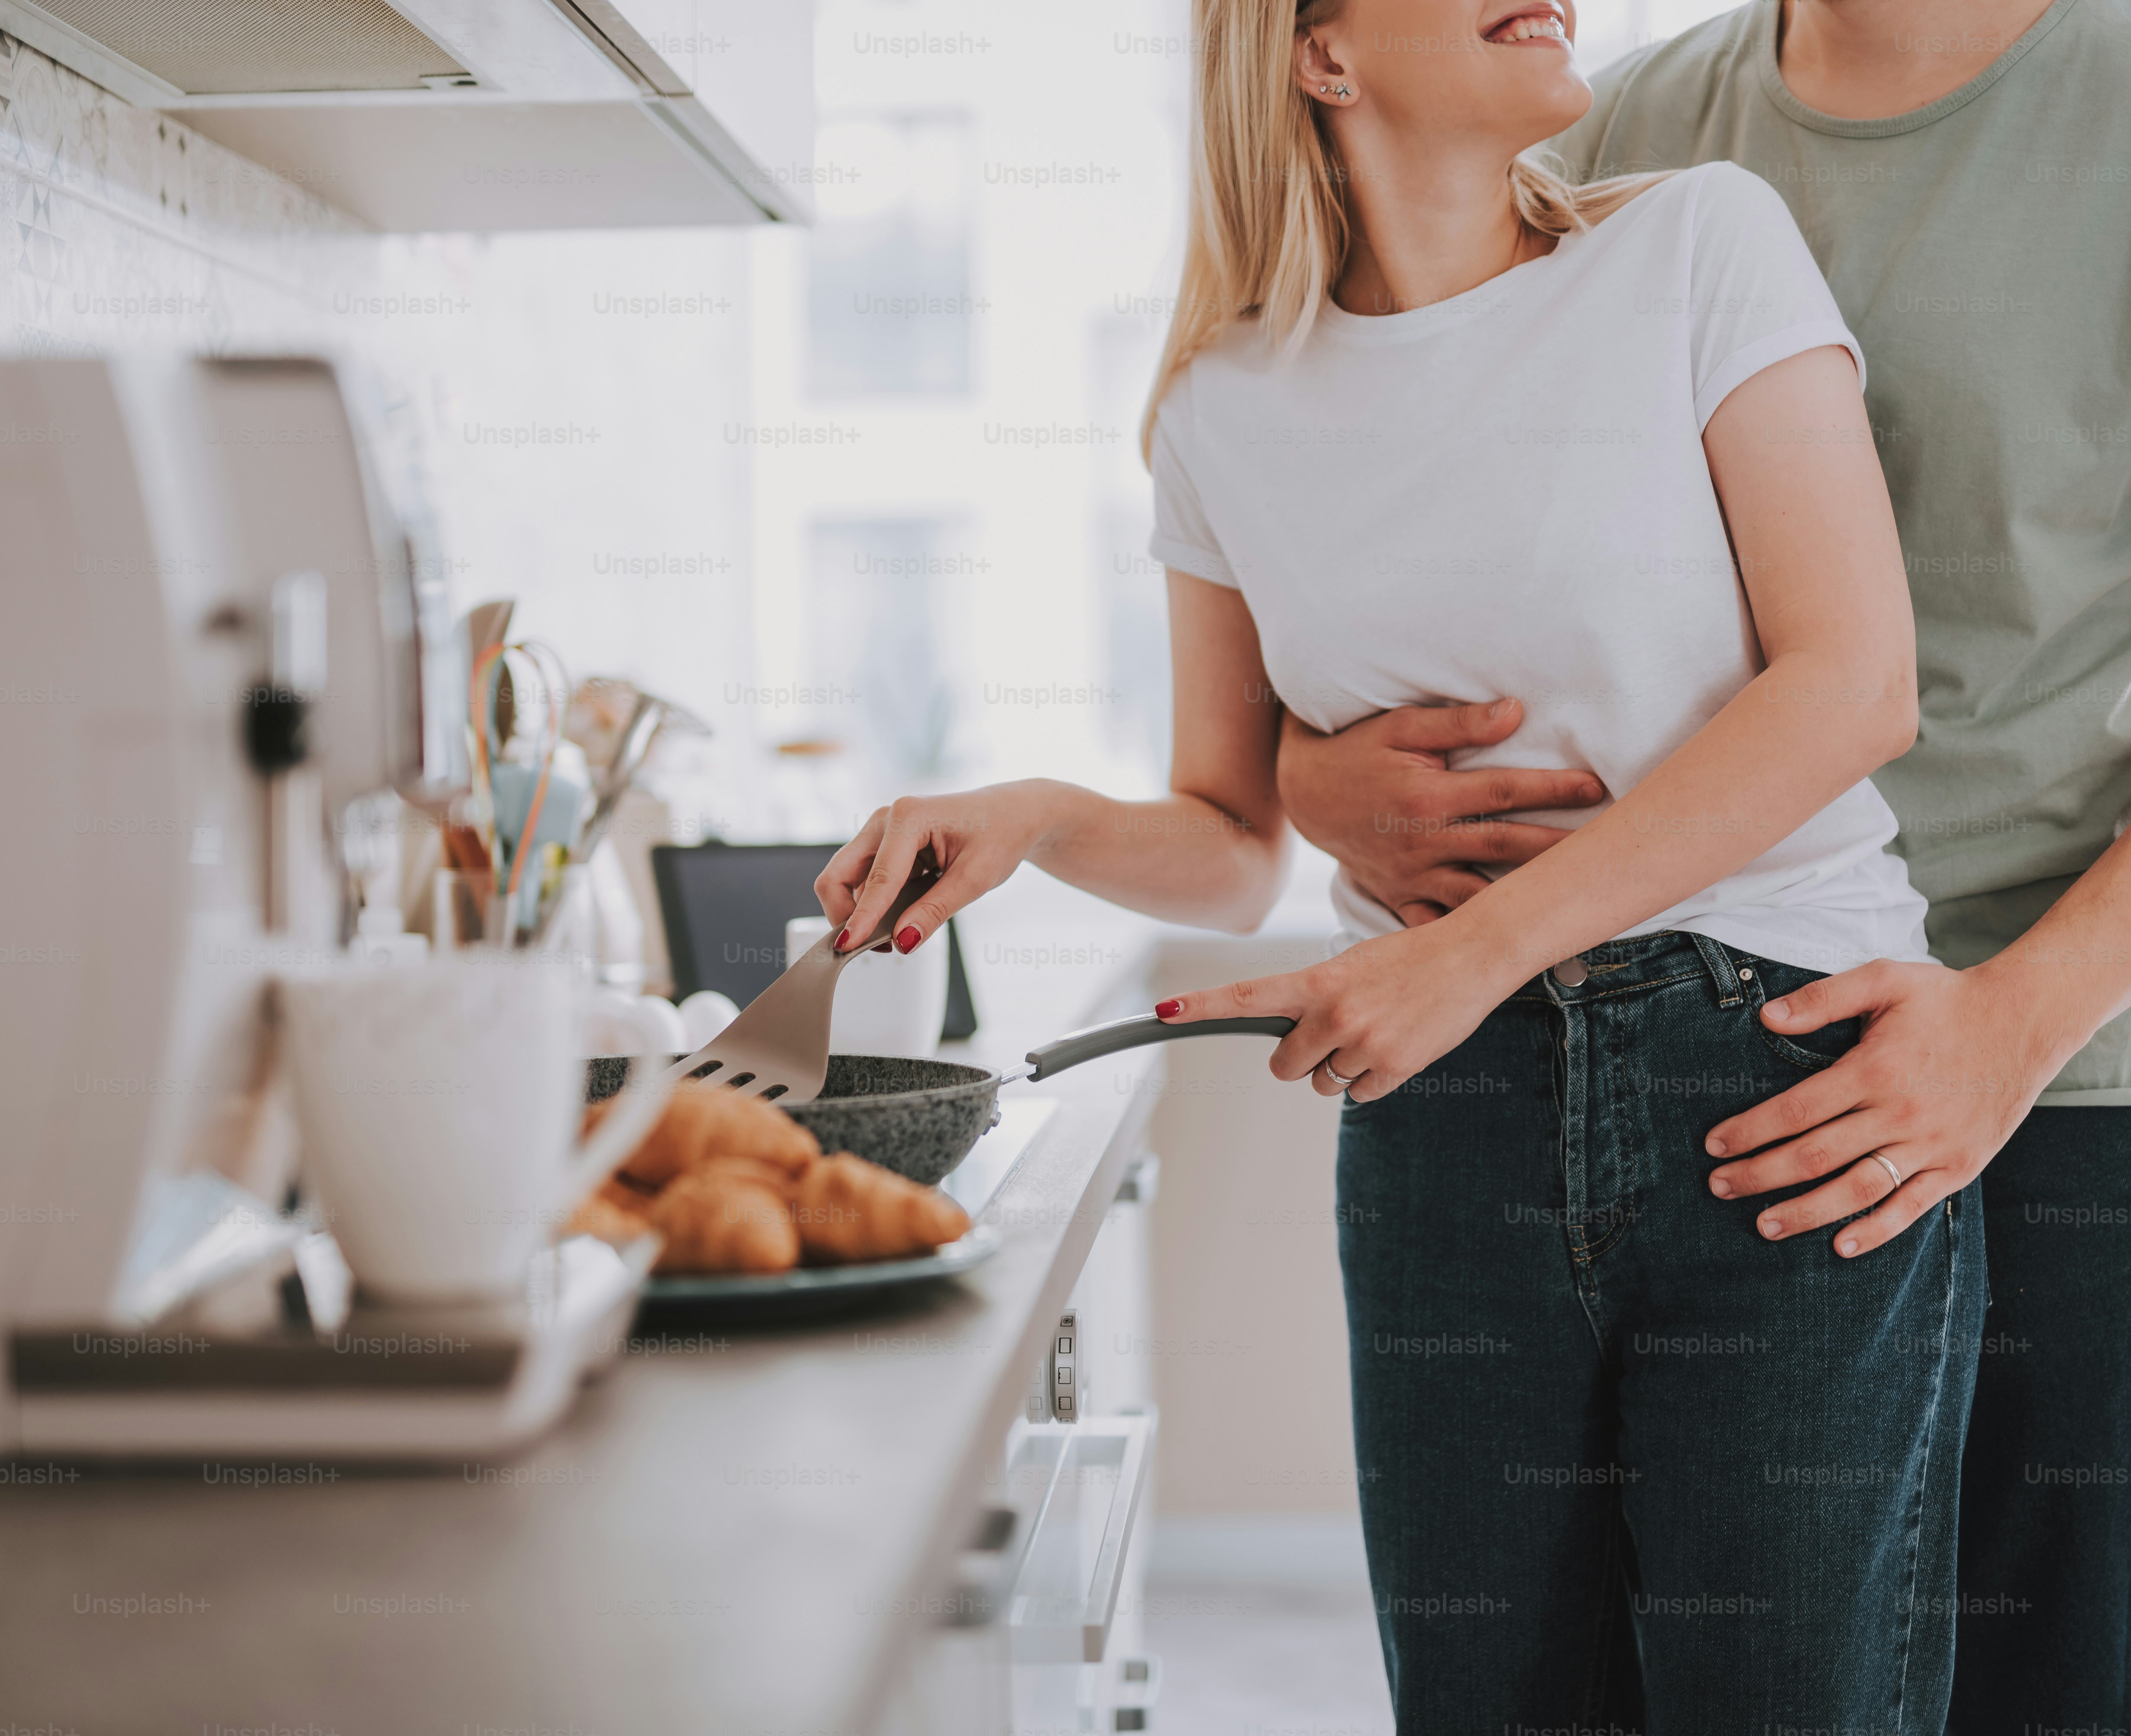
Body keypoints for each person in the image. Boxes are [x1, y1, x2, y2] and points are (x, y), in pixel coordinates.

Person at [817, 0, 2000, 1723]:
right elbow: (1229, 841)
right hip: (1449, 1128)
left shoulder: (1697, 245)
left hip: (1775, 1071)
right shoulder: (1219, 410)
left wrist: (1468, 948)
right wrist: (1042, 819)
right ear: (1319, 56)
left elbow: (1851, 682)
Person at [1270, 0, 2131, 1726]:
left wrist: (2011, 1022)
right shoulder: (1604, 129)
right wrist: (1305, 770)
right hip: (1668, 1069)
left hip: (2043, 1088)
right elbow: (1441, 546)